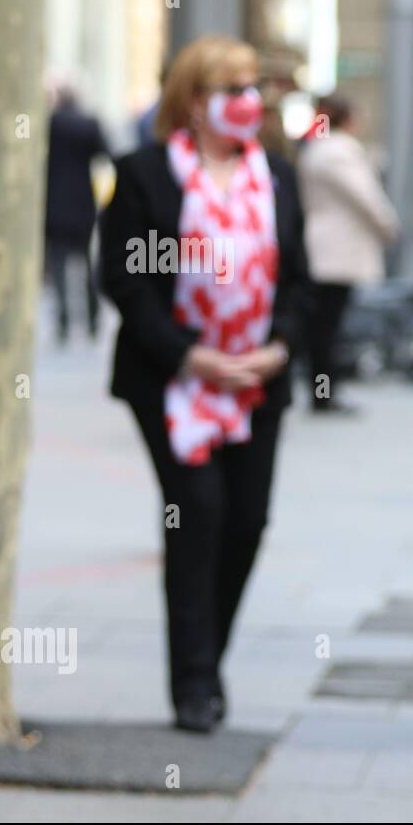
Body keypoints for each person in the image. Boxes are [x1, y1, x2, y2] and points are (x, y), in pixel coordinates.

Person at [99, 35, 312, 733]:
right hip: (174, 380)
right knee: (196, 515)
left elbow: (297, 278)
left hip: (257, 380)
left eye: (255, 87)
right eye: (231, 89)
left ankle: (206, 658)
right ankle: (194, 685)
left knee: (246, 520)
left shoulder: (277, 175)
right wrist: (193, 357)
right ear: (193, 102)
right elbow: (125, 279)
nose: (248, 101)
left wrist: (278, 348)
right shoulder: (146, 173)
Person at [296, 93, 400, 413]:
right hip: (336, 248)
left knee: (322, 325)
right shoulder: (340, 151)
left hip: (322, 244)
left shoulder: (315, 148)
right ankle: (324, 394)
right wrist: (388, 225)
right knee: (328, 326)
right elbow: (365, 196)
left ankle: (322, 391)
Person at [44, 81, 110, 343]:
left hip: (55, 204)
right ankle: (92, 318)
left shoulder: (51, 124)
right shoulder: (88, 123)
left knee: (58, 266)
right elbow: (105, 153)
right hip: (83, 203)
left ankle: (63, 320)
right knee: (85, 263)